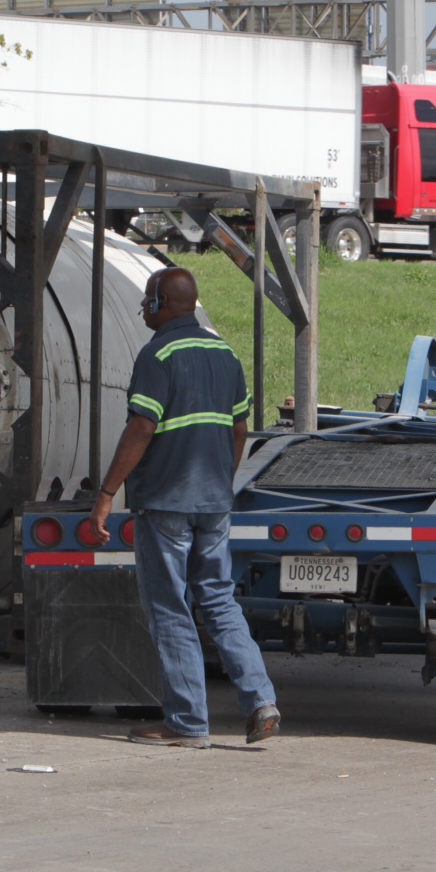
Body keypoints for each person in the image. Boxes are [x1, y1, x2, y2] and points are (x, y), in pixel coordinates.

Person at [88, 267, 281, 748]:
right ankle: (262, 702)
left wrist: (108, 491)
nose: (144, 311)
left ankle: (188, 722)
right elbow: (240, 430)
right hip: (214, 501)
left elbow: (141, 428)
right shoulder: (226, 354)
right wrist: (221, 481)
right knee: (218, 600)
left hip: (166, 501)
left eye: (147, 303)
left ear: (159, 304)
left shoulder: (157, 355)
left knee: (171, 608)